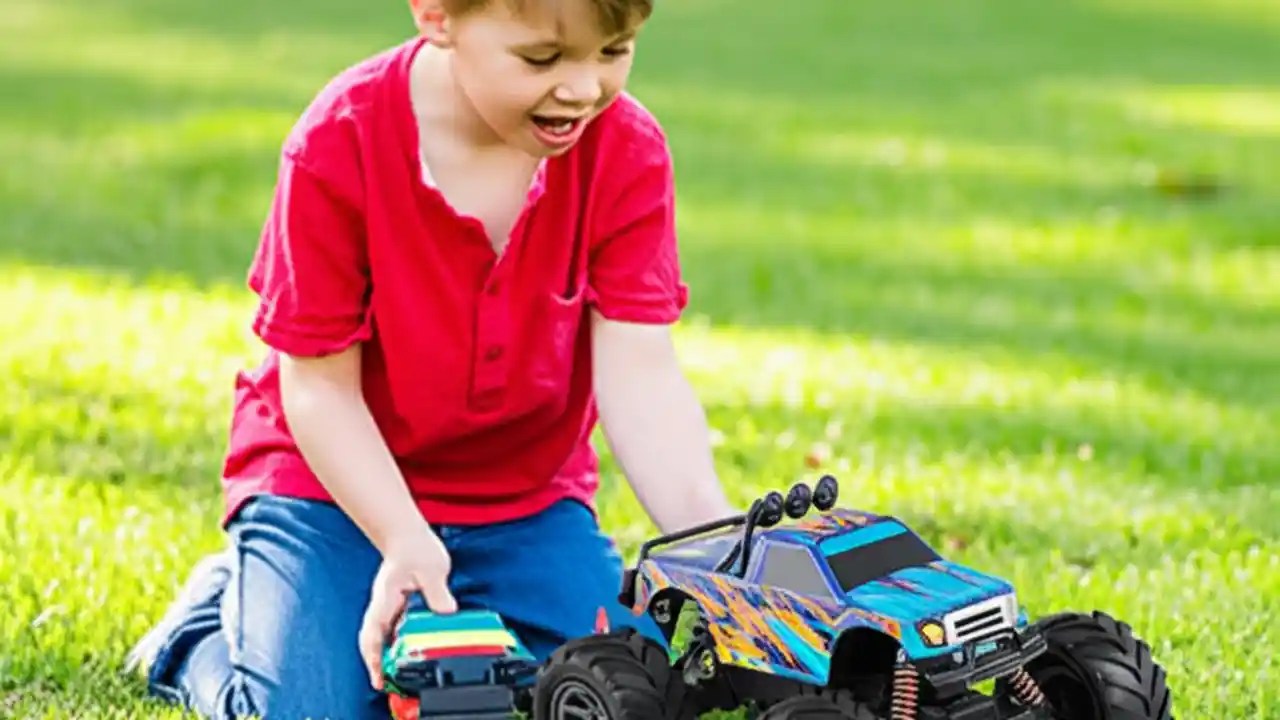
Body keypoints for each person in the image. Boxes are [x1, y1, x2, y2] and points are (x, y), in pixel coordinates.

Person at [124, 0, 735, 718]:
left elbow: (641, 375)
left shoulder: (625, 148)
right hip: (332, 493)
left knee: (636, 685)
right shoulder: (340, 139)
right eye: (542, 59)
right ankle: (202, 626)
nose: (582, 89)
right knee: (317, 708)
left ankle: (460, 611)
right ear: (437, 14)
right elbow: (319, 388)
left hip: (524, 503)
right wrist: (401, 537)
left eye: (613, 51)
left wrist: (718, 544)